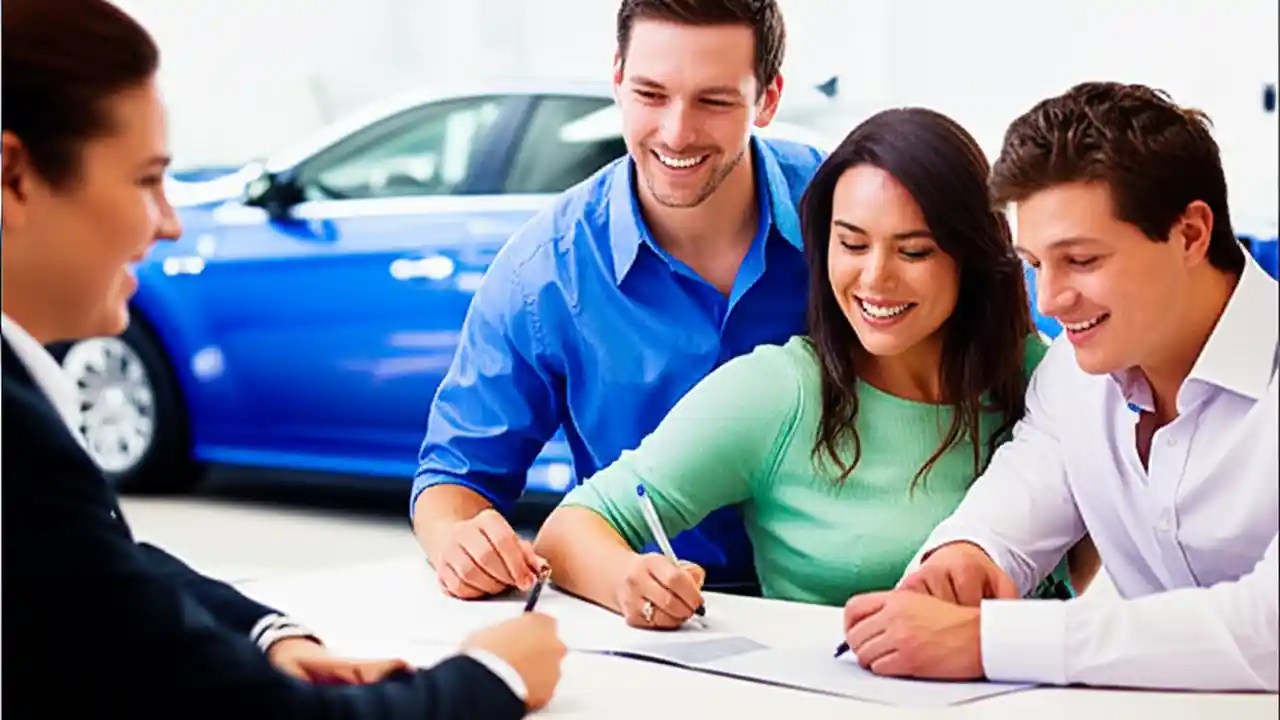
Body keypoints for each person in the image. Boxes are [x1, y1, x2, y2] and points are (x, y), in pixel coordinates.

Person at [1, 1, 564, 717]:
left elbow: (102, 565)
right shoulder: (15, 444)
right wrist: (492, 677)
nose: (170, 222)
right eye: (146, 181)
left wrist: (271, 636)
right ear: (14, 177)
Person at [531, 107, 1093, 628]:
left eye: (913, 251)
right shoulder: (779, 393)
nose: (875, 278)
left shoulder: (1050, 381)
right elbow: (571, 527)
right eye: (851, 245)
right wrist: (630, 583)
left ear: (971, 256)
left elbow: (1084, 554)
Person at [840, 82, 1278, 692]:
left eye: (1082, 260)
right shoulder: (1076, 375)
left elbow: (1270, 629)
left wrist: (985, 642)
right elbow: (1013, 507)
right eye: (1036, 264)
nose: (1050, 302)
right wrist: (960, 561)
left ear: (1190, 234)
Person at [412, 0, 824, 599]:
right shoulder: (543, 273)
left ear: (767, 99)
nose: (677, 133)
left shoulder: (849, 214)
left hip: (847, 609)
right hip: (643, 614)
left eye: (713, 100)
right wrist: (460, 541)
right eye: (651, 94)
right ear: (616, 78)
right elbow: (456, 477)